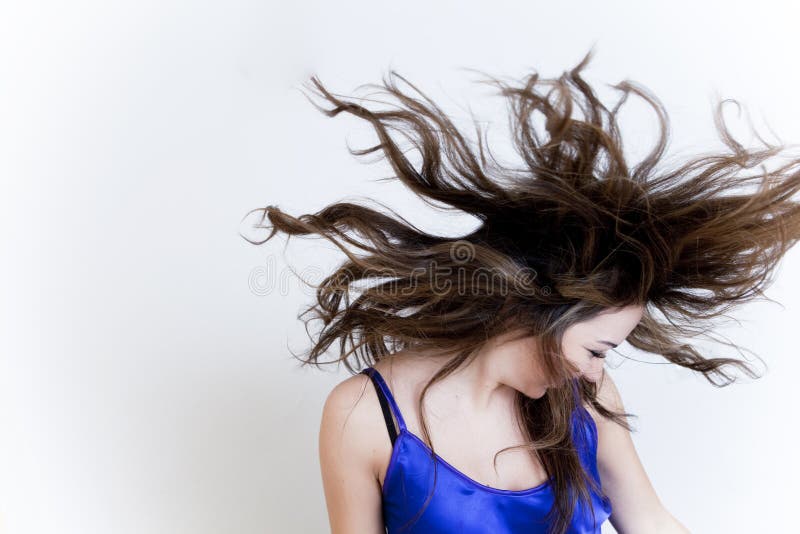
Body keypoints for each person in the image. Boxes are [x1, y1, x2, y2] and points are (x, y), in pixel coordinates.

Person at [240, 49, 800, 533]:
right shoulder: (364, 414)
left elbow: (649, 521)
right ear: (534, 309)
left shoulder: (586, 402)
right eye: (596, 350)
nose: (596, 373)